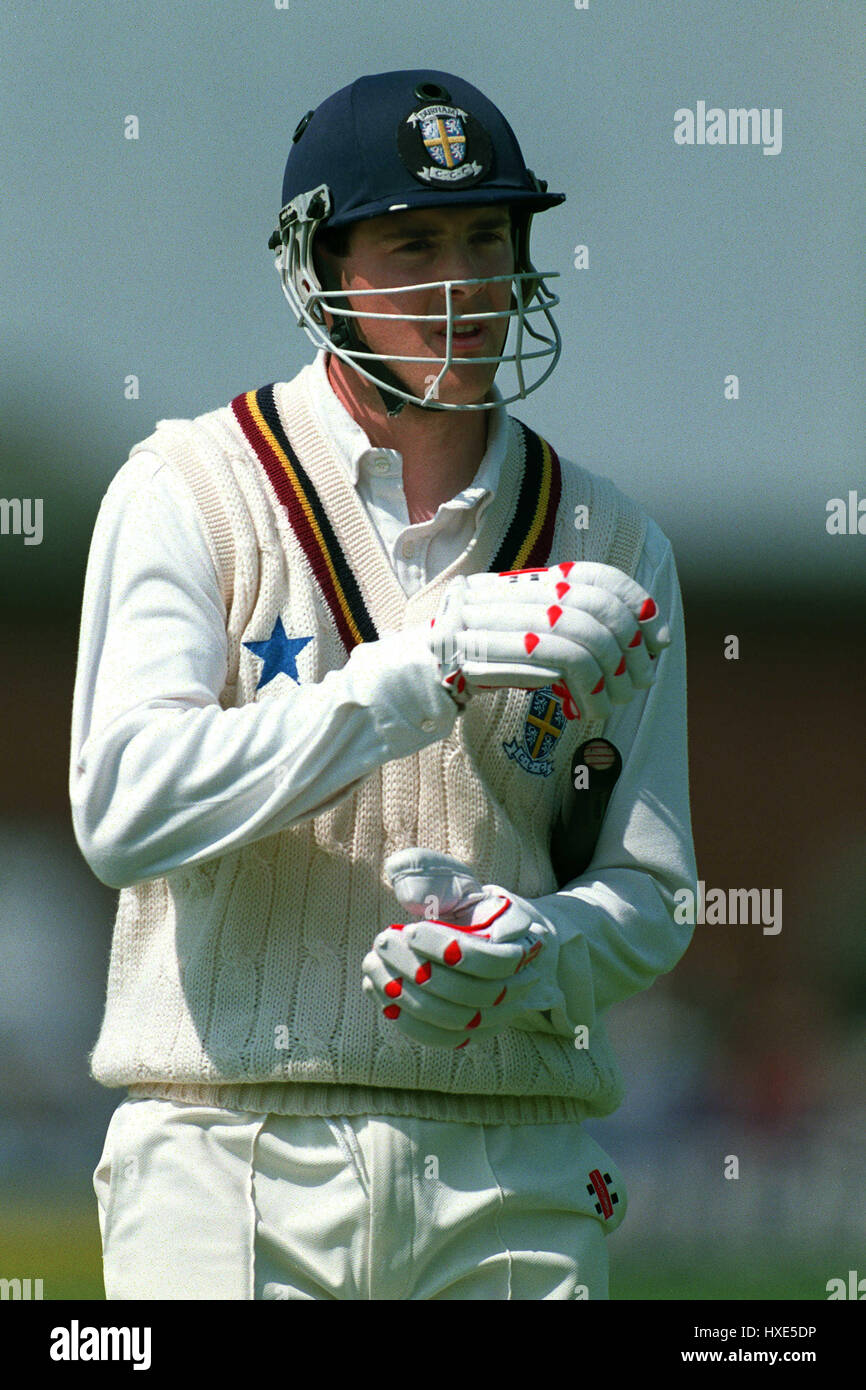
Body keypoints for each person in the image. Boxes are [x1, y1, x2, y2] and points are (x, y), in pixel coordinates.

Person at [70, 68, 697, 1301]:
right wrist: (416, 671)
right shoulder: (190, 489)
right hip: (225, 1150)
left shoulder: (614, 543)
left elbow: (651, 891)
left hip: (509, 1163)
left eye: (486, 237)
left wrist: (541, 952)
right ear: (317, 269)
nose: (462, 287)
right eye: (413, 245)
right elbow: (124, 809)